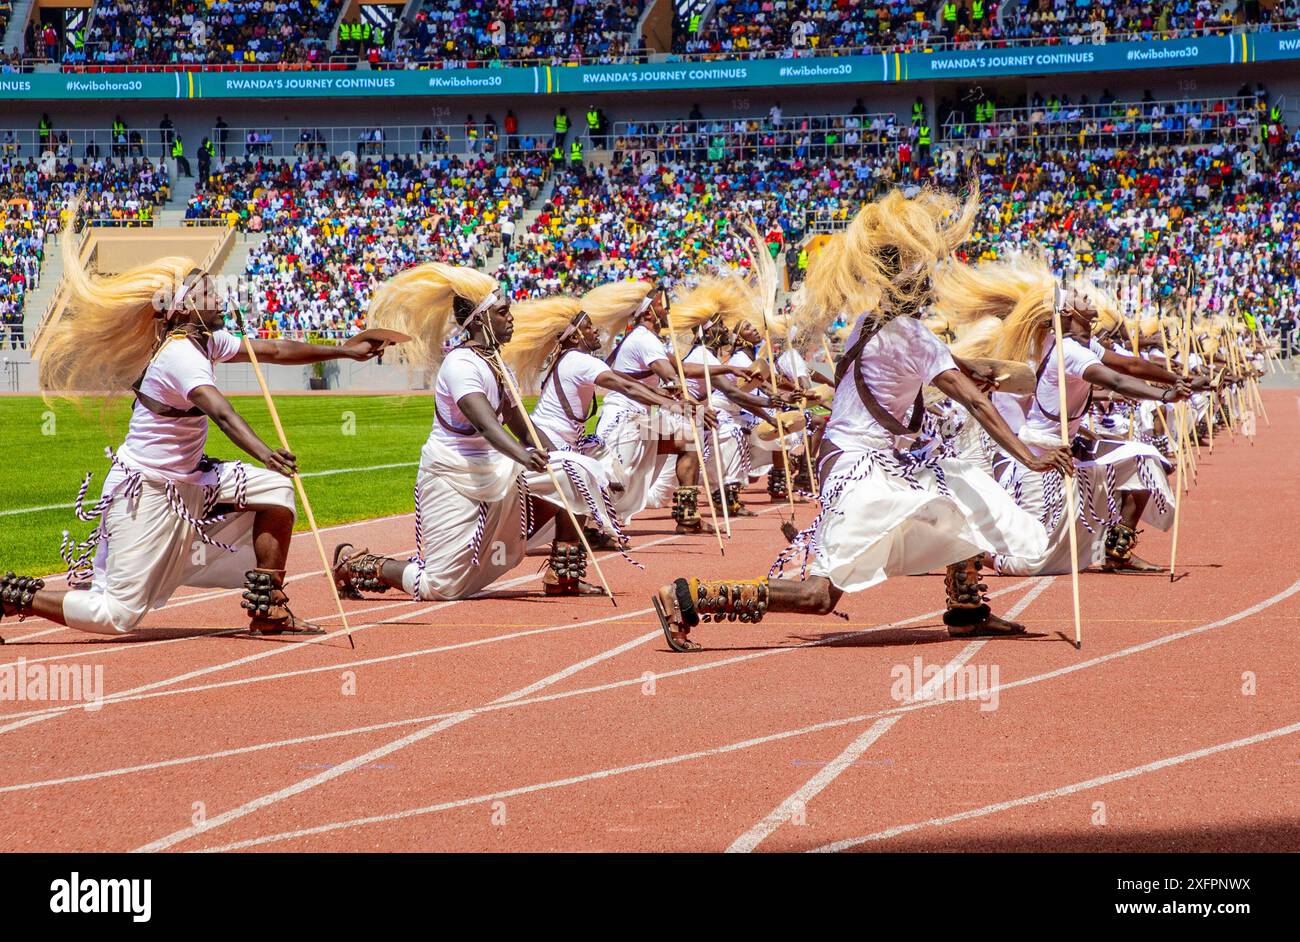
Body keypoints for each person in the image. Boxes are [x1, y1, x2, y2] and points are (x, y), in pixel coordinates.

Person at [649, 187, 1073, 652]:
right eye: (926, 279)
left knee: (961, 490)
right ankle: (688, 597)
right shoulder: (914, 335)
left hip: (863, 459)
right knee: (820, 596)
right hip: (862, 468)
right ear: (911, 284)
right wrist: (1031, 456)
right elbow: (975, 401)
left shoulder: (868, 323)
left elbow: (948, 372)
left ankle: (968, 610)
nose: (933, 289)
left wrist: (987, 374)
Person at [0, 212, 387, 641]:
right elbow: (222, 413)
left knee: (276, 492)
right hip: (148, 489)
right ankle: (11, 596)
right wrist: (266, 453)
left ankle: (269, 609)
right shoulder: (179, 354)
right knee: (115, 615)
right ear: (184, 306)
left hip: (195, 478)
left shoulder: (206, 341)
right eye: (208, 293)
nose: (219, 299)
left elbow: (275, 349)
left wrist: (344, 352)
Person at [331, 264, 636, 600]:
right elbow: (486, 424)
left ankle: (562, 575)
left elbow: (519, 421)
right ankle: (357, 564)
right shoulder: (461, 364)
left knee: (571, 473)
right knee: (440, 586)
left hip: (495, 468)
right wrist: (525, 455)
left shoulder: (496, 363)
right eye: (503, 312)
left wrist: (559, 456)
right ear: (479, 319)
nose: (512, 319)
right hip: (452, 475)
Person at [937, 262, 1194, 575]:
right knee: (1033, 563)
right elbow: (1115, 380)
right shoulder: (1068, 350)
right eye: (1076, 296)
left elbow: (1131, 366)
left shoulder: (1085, 345)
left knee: (1143, 460)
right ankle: (978, 552)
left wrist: (1175, 378)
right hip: (1040, 452)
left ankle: (1117, 549)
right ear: (1068, 311)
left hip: (1072, 448)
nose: (1085, 296)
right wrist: (1165, 396)